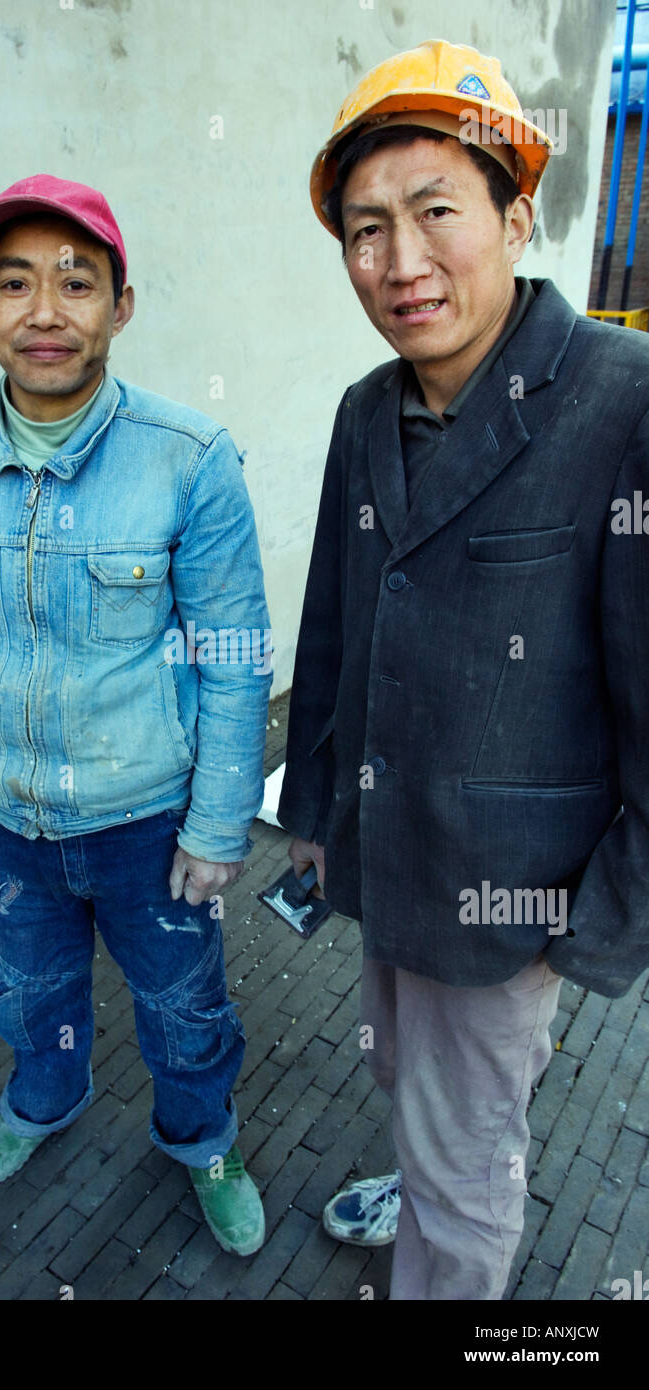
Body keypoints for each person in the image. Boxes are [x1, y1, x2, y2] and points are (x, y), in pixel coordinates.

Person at [277, 40, 649, 1299]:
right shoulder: (361, 409)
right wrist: (315, 815)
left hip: (514, 896)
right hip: (386, 850)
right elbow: (334, 624)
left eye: (436, 211)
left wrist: (601, 914)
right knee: (408, 1075)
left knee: (467, 1158)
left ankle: (448, 1251)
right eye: (365, 228)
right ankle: (427, 1181)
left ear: (514, 213)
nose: (399, 261)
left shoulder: (621, 399)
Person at [0, 174, 273, 1257]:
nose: (44, 311)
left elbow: (236, 656)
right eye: (14, 283)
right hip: (9, 820)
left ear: (121, 304)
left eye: (75, 281)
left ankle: (201, 1140)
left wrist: (215, 827)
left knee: (183, 1006)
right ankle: (42, 1103)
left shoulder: (187, 458)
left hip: (146, 819)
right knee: (33, 990)